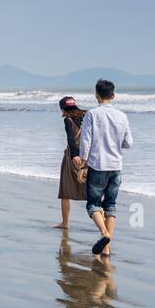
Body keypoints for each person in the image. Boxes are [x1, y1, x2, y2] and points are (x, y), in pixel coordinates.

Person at [75, 79, 133, 256]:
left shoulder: (92, 114)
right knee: (111, 206)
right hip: (116, 166)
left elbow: (86, 141)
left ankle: (104, 233)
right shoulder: (122, 116)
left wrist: (82, 165)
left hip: (98, 165)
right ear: (113, 96)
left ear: (96, 94)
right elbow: (128, 143)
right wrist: (114, 143)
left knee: (93, 204)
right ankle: (107, 249)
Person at [54, 96, 88, 229]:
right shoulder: (87, 115)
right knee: (91, 190)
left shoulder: (68, 120)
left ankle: (65, 223)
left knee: (65, 191)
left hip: (72, 157)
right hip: (88, 156)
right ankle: (102, 220)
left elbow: (71, 139)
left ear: (63, 108)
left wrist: (74, 155)